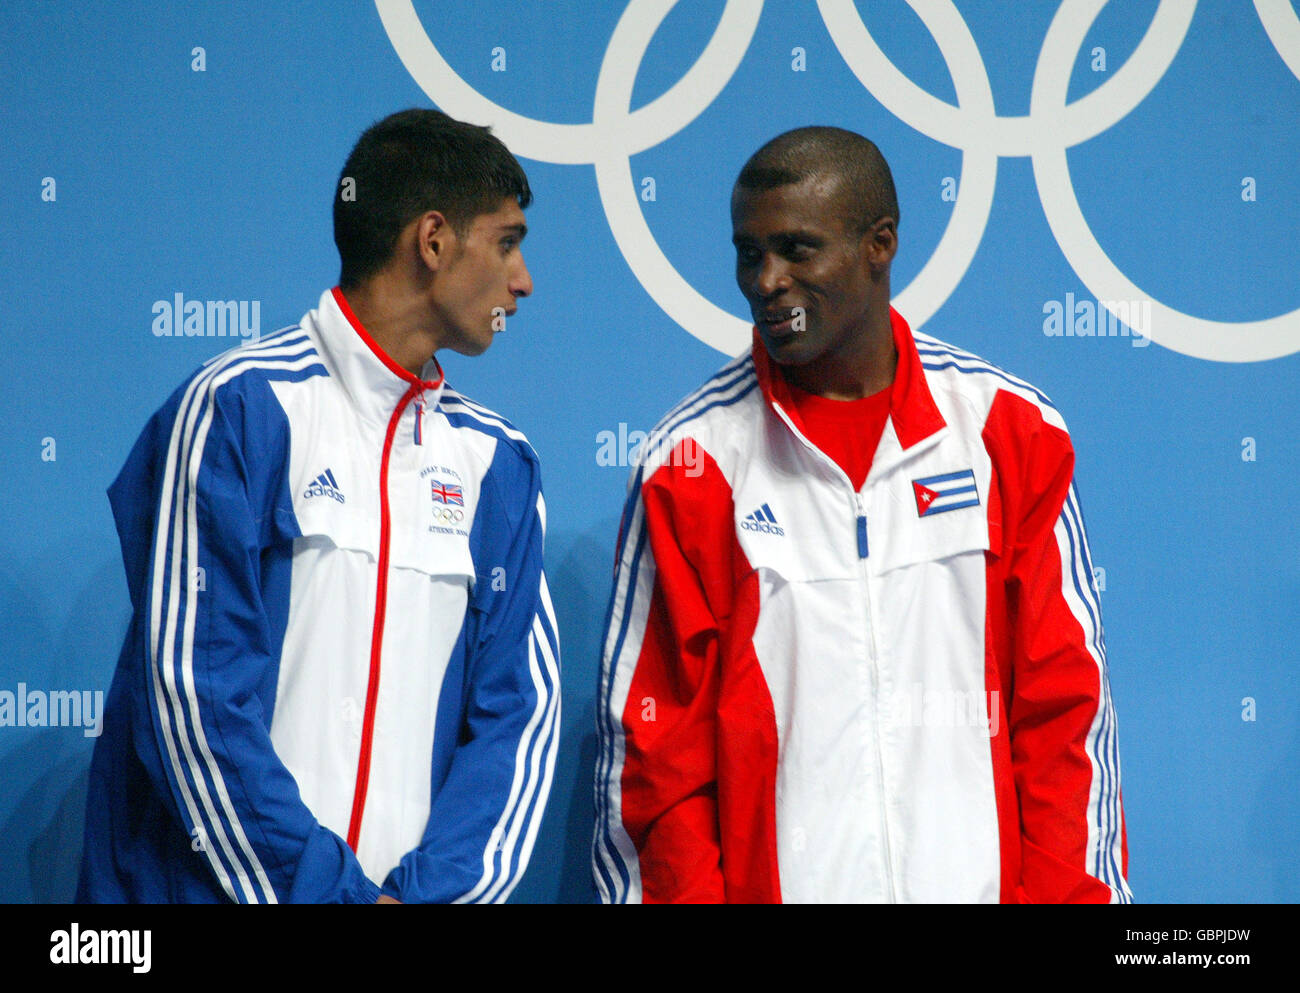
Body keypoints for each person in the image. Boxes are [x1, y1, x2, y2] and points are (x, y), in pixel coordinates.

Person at [593, 126, 1130, 903]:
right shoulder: (692, 465)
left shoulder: (1007, 433)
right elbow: (655, 762)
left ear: (880, 245)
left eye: (796, 250)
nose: (765, 281)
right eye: (749, 253)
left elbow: (1064, 720)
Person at [78, 109, 560, 904]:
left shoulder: (498, 464)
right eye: (507, 242)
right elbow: (192, 698)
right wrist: (332, 895)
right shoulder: (237, 409)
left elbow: (519, 716)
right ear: (433, 240)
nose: (523, 279)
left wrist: (427, 895)